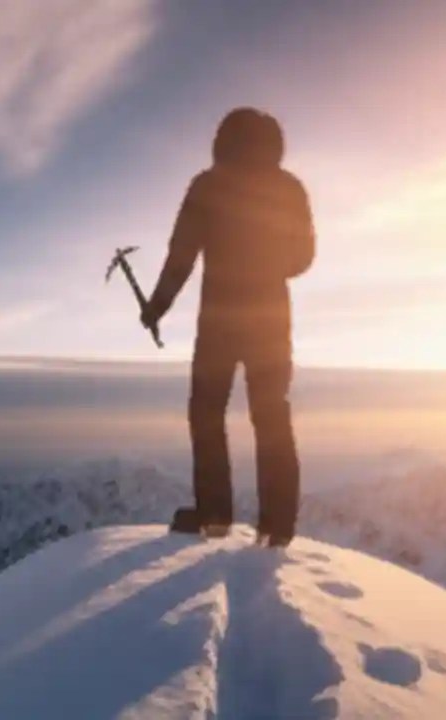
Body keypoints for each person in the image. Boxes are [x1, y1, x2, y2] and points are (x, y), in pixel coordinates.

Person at [142, 108, 316, 547]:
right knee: (271, 413)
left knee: (206, 412)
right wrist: (266, 265)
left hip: (218, 319)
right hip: (272, 319)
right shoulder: (289, 188)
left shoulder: (207, 186)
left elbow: (181, 255)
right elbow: (303, 258)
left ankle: (214, 515)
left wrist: (157, 306)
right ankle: (278, 526)